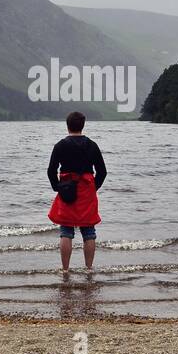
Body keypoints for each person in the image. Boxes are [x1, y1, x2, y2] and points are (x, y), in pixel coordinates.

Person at [47, 111, 106, 272]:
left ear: (67, 126)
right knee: (89, 231)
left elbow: (51, 170)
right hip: (87, 189)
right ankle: (89, 269)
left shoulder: (60, 145)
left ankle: (65, 270)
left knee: (66, 230)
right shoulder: (92, 145)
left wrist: (57, 187)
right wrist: (94, 187)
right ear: (83, 125)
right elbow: (102, 171)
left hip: (67, 190)